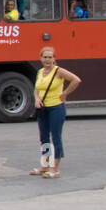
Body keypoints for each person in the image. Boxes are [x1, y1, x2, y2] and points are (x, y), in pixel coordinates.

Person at [30, 46, 81, 178]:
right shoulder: (40, 72)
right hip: (43, 109)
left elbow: (76, 80)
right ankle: (44, 165)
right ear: (41, 58)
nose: (47, 60)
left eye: (50, 57)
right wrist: (36, 99)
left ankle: (55, 169)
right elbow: (37, 89)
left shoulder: (59, 71)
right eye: (45, 57)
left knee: (56, 138)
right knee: (44, 138)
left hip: (56, 108)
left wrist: (65, 93)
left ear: (54, 58)